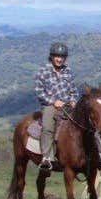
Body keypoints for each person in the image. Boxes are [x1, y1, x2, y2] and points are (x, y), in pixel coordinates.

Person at [35, 42, 78, 170]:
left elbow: (73, 90)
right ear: (52, 57)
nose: (59, 59)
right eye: (57, 56)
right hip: (50, 105)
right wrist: (54, 101)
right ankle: (46, 157)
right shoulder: (43, 71)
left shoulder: (68, 71)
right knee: (48, 127)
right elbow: (39, 92)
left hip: (67, 105)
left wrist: (73, 100)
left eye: (62, 57)